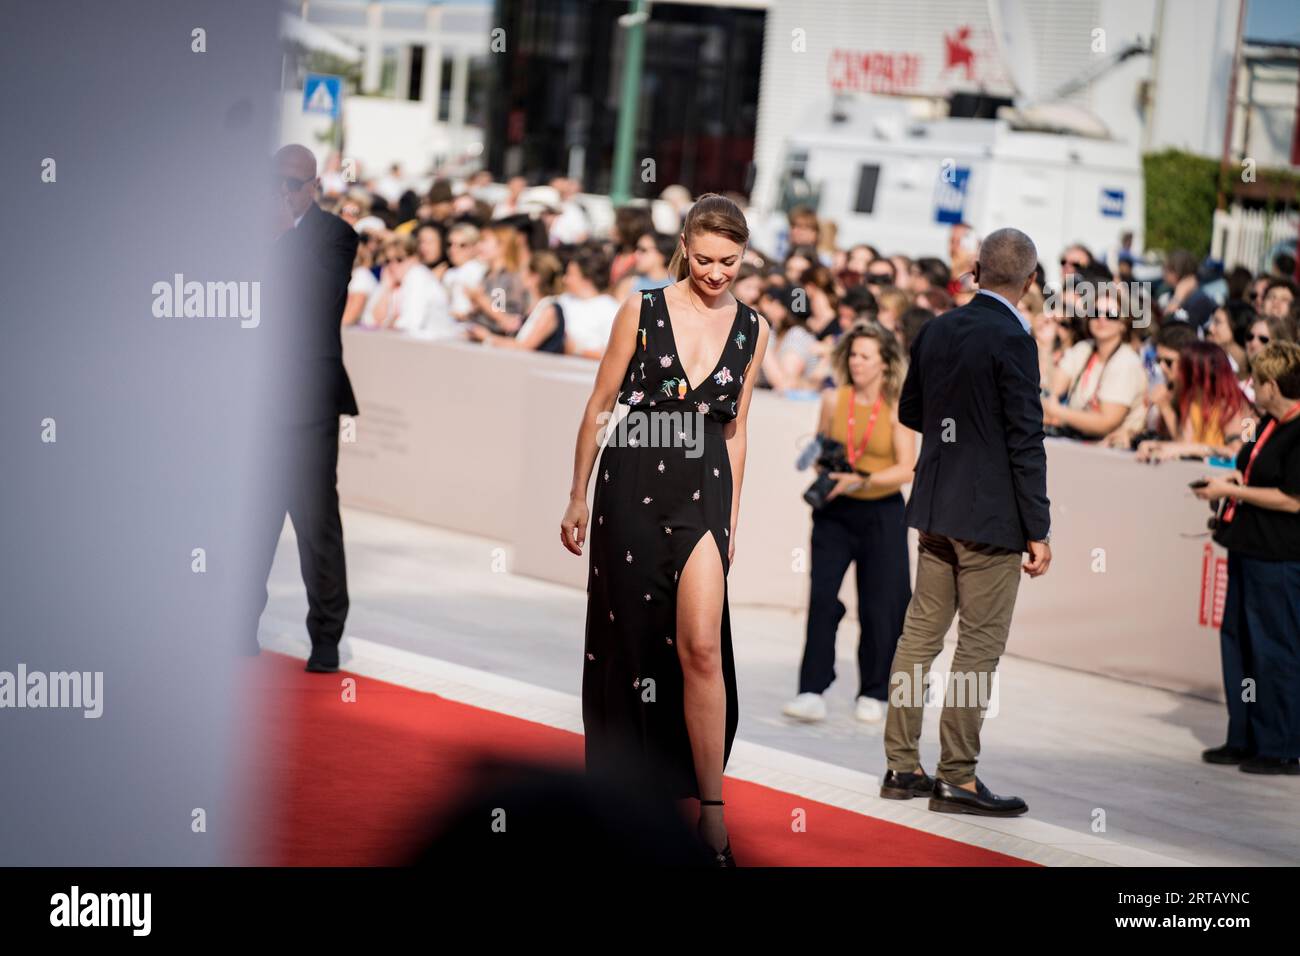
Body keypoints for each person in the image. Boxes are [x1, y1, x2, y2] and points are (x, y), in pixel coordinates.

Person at [560, 194, 770, 866]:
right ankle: (621, 806)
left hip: (703, 488)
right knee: (628, 650)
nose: (715, 272)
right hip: (631, 482)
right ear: (684, 244)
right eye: (704, 258)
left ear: (744, 254)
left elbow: (735, 430)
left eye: (729, 262)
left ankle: (711, 814)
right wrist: (577, 495)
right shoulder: (642, 309)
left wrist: (730, 519)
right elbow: (599, 406)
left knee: (702, 648)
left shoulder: (753, 327)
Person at [881, 227, 1051, 815]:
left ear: (975, 270)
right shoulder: (1014, 339)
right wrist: (1039, 527)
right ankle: (958, 775)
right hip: (991, 518)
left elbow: (910, 410)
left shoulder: (938, 326)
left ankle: (901, 766)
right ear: (1030, 281)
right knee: (977, 648)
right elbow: (1026, 438)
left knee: (918, 639)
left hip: (936, 507)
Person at [249, 144, 360, 673]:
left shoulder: (335, 236)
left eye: (294, 184)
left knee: (315, 519)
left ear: (313, 185)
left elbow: (318, 300)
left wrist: (281, 237)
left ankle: (326, 638)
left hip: (310, 402)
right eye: (278, 182)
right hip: (255, 399)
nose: (285, 192)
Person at [783, 323, 916, 724]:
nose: (857, 362)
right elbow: (823, 446)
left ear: (885, 363)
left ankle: (874, 690)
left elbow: (907, 468)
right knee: (822, 599)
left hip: (881, 512)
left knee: (880, 606)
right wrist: (821, 464)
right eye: (853, 354)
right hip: (835, 513)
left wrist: (861, 478)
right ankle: (811, 689)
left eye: (866, 356)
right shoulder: (832, 399)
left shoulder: (898, 406)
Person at [1195, 342, 1300, 774]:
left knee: (1274, 649)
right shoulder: (1269, 425)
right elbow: (1253, 471)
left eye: (1256, 381)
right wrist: (1235, 480)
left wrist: (1232, 491)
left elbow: (1293, 500)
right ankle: (1245, 735)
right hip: (1248, 548)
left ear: (1272, 385)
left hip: (1278, 558)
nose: (1250, 388)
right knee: (1239, 645)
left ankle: (1281, 744)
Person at [1042, 290, 1147, 441]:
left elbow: (1106, 422)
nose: (1101, 319)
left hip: (1115, 453)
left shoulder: (1127, 362)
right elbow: (1053, 389)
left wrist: (1057, 411)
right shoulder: (1084, 348)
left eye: (1111, 315)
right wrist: (1046, 345)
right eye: (1095, 312)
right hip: (1080, 443)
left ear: (1123, 324)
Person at [1135, 341, 1251, 462]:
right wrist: (1156, 446)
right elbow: (1184, 443)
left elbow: (1236, 451)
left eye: (1182, 367)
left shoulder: (1235, 404)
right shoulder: (1195, 400)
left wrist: (1185, 449)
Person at [467, 251, 566, 353]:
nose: (520, 275)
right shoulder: (536, 307)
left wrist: (487, 337)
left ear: (535, 278)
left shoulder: (550, 310)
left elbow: (525, 347)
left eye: (524, 271)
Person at [370, 234, 453, 340]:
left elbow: (410, 323)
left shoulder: (418, 276)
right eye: (388, 261)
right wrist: (387, 288)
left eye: (399, 259)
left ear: (415, 258)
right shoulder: (394, 282)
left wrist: (389, 323)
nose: (393, 265)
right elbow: (374, 320)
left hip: (437, 346)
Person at [560, 245, 620, 359]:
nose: (565, 279)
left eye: (570, 274)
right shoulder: (563, 300)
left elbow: (613, 355)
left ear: (586, 280)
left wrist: (577, 350)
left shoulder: (610, 309)